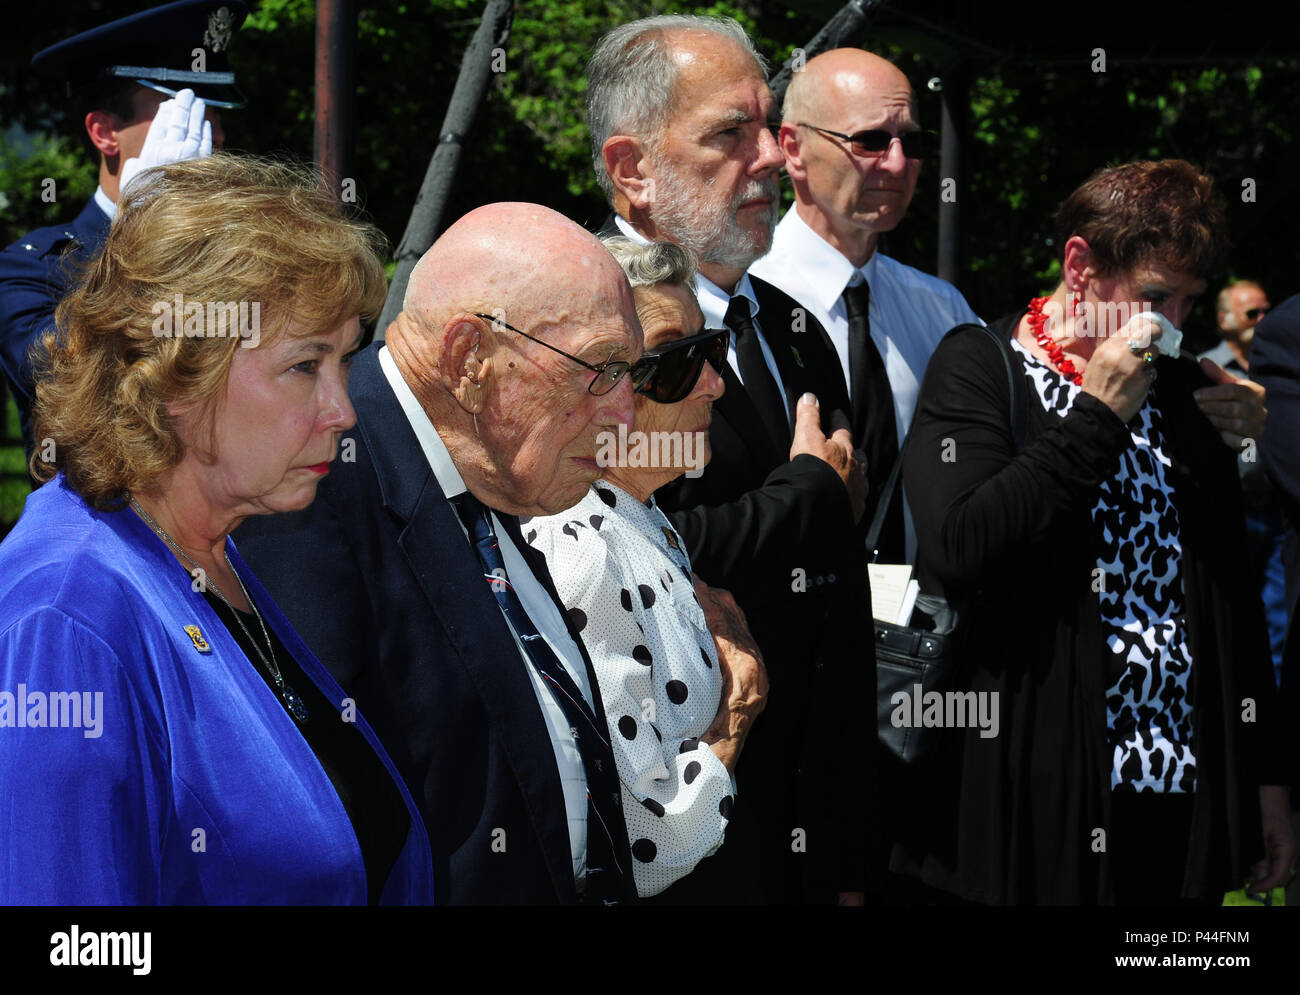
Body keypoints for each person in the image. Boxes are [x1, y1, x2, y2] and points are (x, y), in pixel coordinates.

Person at [0, 155, 432, 905]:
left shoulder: (206, 546)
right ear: (174, 376)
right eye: (306, 366)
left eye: (345, 361)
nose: (344, 410)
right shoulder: (66, 613)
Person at [894, 158, 1297, 905]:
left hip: (1175, 797)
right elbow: (961, 544)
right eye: (1154, 297)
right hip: (1029, 794)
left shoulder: (1179, 389)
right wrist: (1097, 417)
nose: (1174, 325)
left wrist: (1268, 780)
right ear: (1080, 265)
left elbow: (1232, 600)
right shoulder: (983, 364)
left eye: (1189, 303)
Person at [235, 203, 644, 904]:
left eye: (634, 372)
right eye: (601, 368)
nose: (627, 412)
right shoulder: (315, 489)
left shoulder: (496, 464)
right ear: (469, 360)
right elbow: (315, 837)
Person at [587, 13, 873, 904]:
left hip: (807, 824)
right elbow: (622, 545)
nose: (772, 159)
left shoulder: (794, 327)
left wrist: (848, 831)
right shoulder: (589, 336)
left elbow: (837, 592)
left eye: (770, 127)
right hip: (672, 828)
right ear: (631, 169)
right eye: (728, 134)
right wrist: (806, 493)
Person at [524, 237, 767, 898]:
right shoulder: (580, 542)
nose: (716, 382)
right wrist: (736, 717)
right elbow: (645, 843)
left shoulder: (635, 511)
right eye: (677, 362)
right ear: (591, 381)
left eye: (712, 349)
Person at [749, 48, 981, 563]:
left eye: (912, 142)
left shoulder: (943, 310)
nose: (898, 163)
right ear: (794, 147)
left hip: (918, 626)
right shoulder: (739, 303)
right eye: (870, 140)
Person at [1, 0, 244, 461]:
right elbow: (60, 377)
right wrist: (144, 233)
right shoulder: (29, 267)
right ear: (104, 133)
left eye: (213, 112)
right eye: (184, 112)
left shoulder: (237, 255)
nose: (211, 134)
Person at [1202, 280, 1271, 374]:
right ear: (1223, 320)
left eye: (1267, 312)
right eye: (1252, 313)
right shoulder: (1202, 368)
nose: (1262, 319)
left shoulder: (1280, 361)